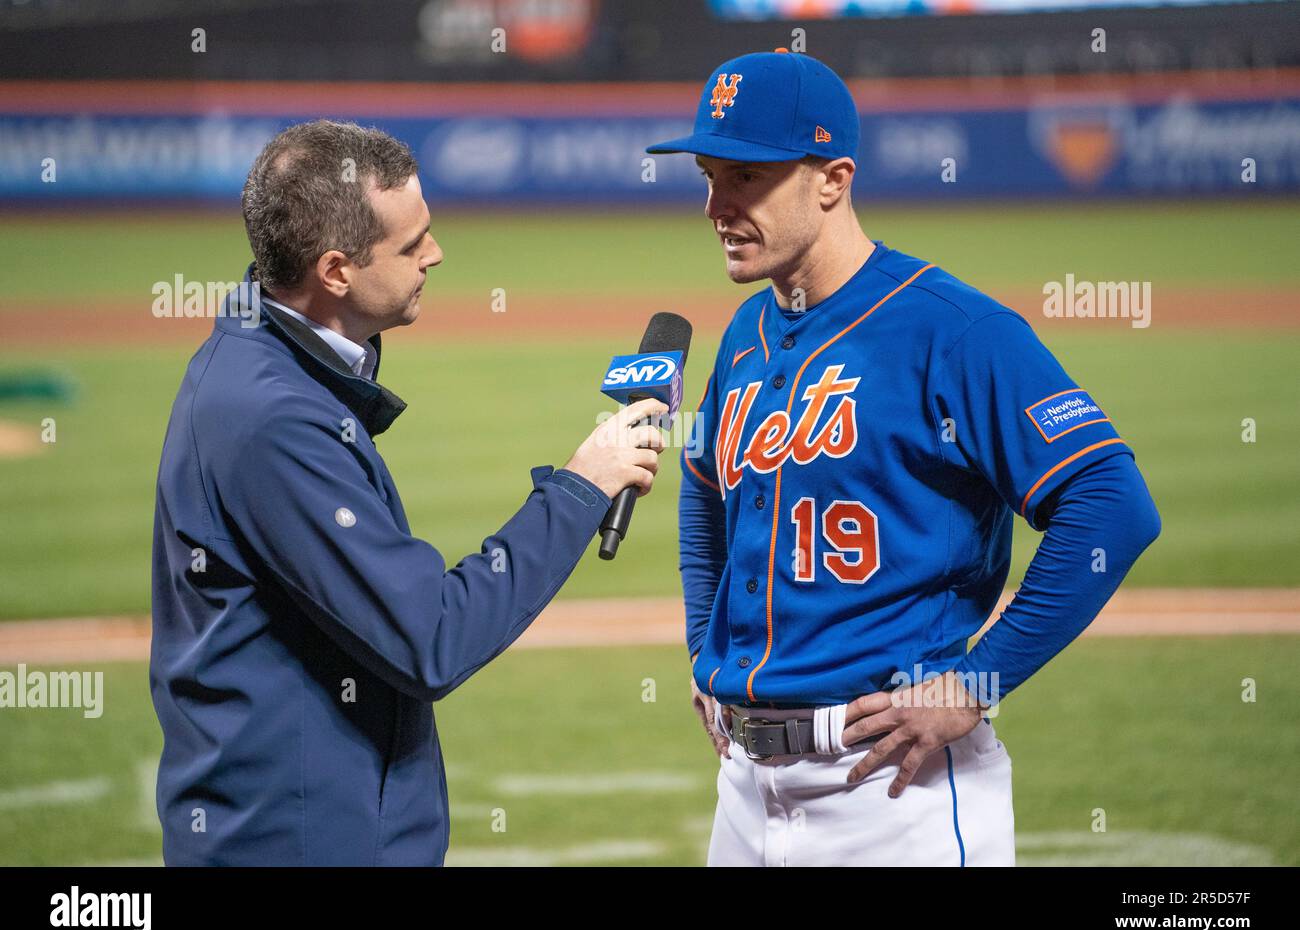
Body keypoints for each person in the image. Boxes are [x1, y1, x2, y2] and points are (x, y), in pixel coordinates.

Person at [649, 51, 1161, 866]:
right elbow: (704, 490)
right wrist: (704, 652)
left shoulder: (952, 330)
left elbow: (1112, 502)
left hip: (895, 793)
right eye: (709, 175)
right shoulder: (746, 334)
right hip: (745, 793)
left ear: (832, 178)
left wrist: (977, 680)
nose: (716, 206)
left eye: (745, 176)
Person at [150, 120, 666, 865]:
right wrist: (582, 488)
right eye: (411, 243)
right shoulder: (269, 418)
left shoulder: (270, 359)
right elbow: (431, 637)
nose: (436, 253)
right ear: (335, 271)